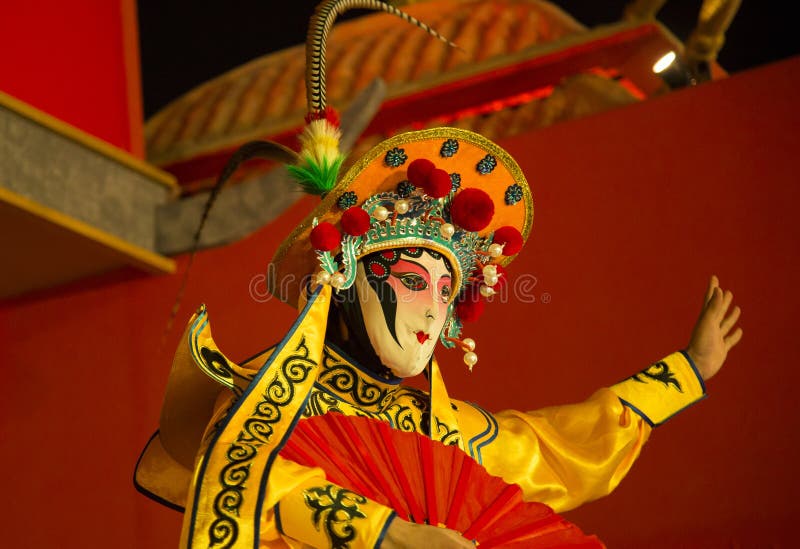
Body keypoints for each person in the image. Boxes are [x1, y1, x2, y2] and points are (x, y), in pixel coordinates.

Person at [134, 2, 742, 548]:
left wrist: (683, 373)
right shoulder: (261, 403)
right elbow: (253, 484)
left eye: (447, 290)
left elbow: (552, 449)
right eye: (413, 280)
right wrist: (387, 532)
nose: (433, 310)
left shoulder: (441, 427)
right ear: (346, 276)